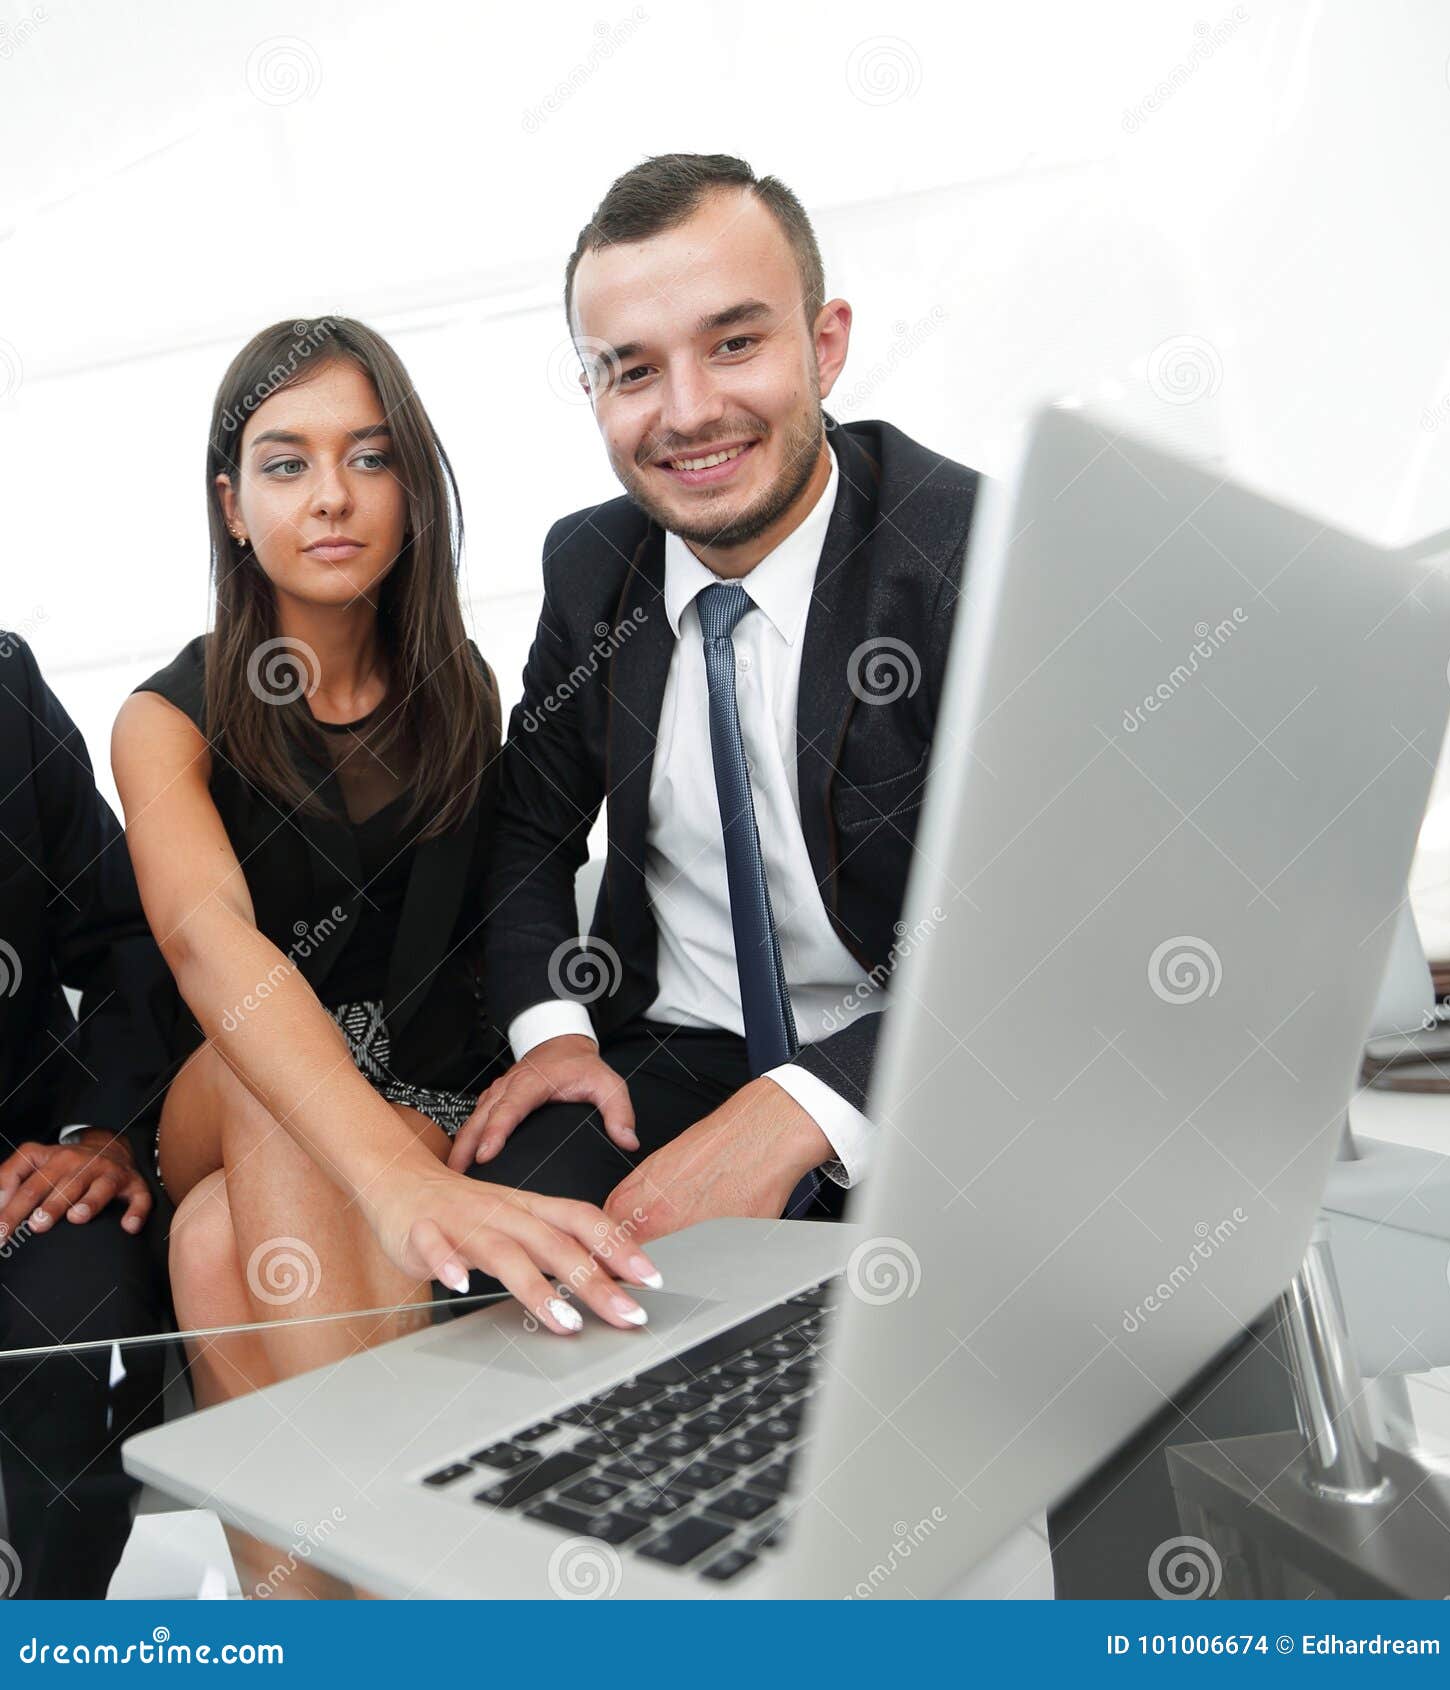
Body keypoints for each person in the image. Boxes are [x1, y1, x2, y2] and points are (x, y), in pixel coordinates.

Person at [111, 318, 661, 1592]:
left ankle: (312, 1619)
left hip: (422, 1088)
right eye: (286, 463)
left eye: (368, 456)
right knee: (264, 1051)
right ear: (231, 505)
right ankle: (416, 1551)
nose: (333, 496)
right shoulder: (162, 717)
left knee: (211, 1246)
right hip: (226, 1087)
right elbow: (210, 943)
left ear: (412, 487)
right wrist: (397, 1190)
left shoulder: (461, 687)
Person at [452, 154, 981, 1244]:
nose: (688, 413)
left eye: (734, 343)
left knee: (940, 1325)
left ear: (824, 345)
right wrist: (554, 1031)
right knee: (504, 1263)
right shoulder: (592, 569)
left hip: (936, 1047)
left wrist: (801, 1107)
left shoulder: (968, 555)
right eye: (631, 370)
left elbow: (1053, 910)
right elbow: (525, 829)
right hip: (677, 1044)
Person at [0, 629, 175, 1599]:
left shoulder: (4, 678)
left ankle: (41, 1642)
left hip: (27, 1166)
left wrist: (102, 1132)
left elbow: (121, 938)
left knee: (86, 1330)